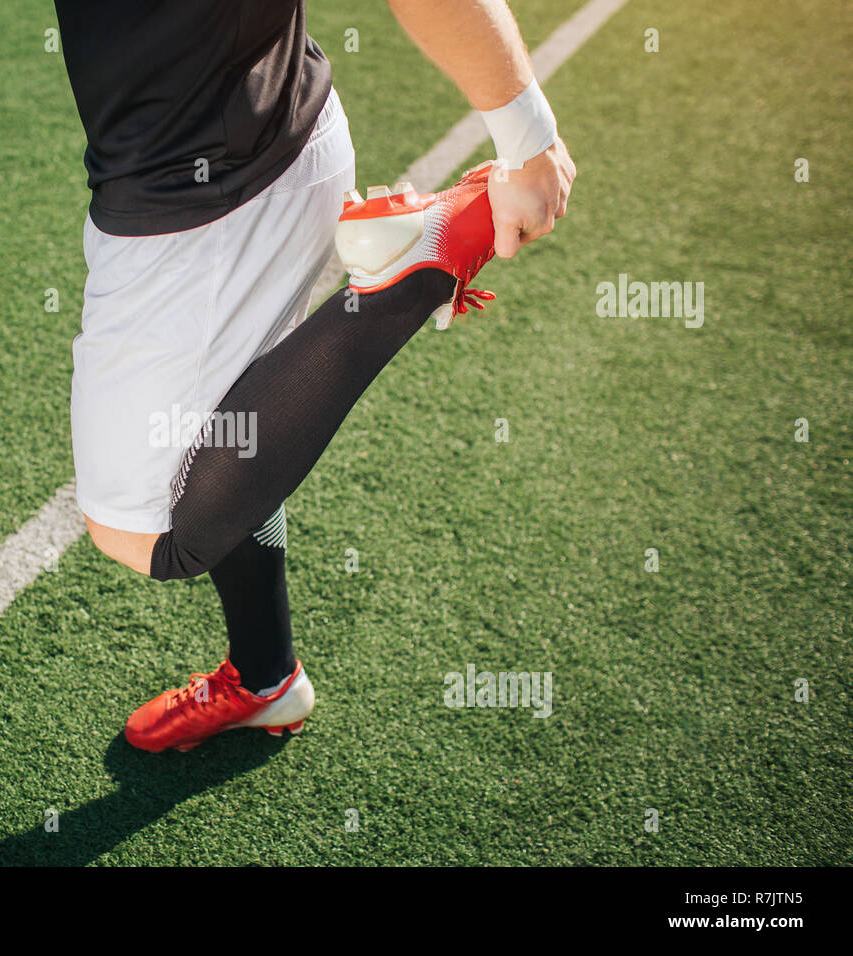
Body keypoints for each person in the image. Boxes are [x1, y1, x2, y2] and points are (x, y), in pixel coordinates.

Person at [54, 0, 576, 752]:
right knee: (222, 424)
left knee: (148, 530)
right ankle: (266, 679)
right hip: (261, 135)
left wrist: (527, 137)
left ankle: (417, 266)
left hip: (207, 197)